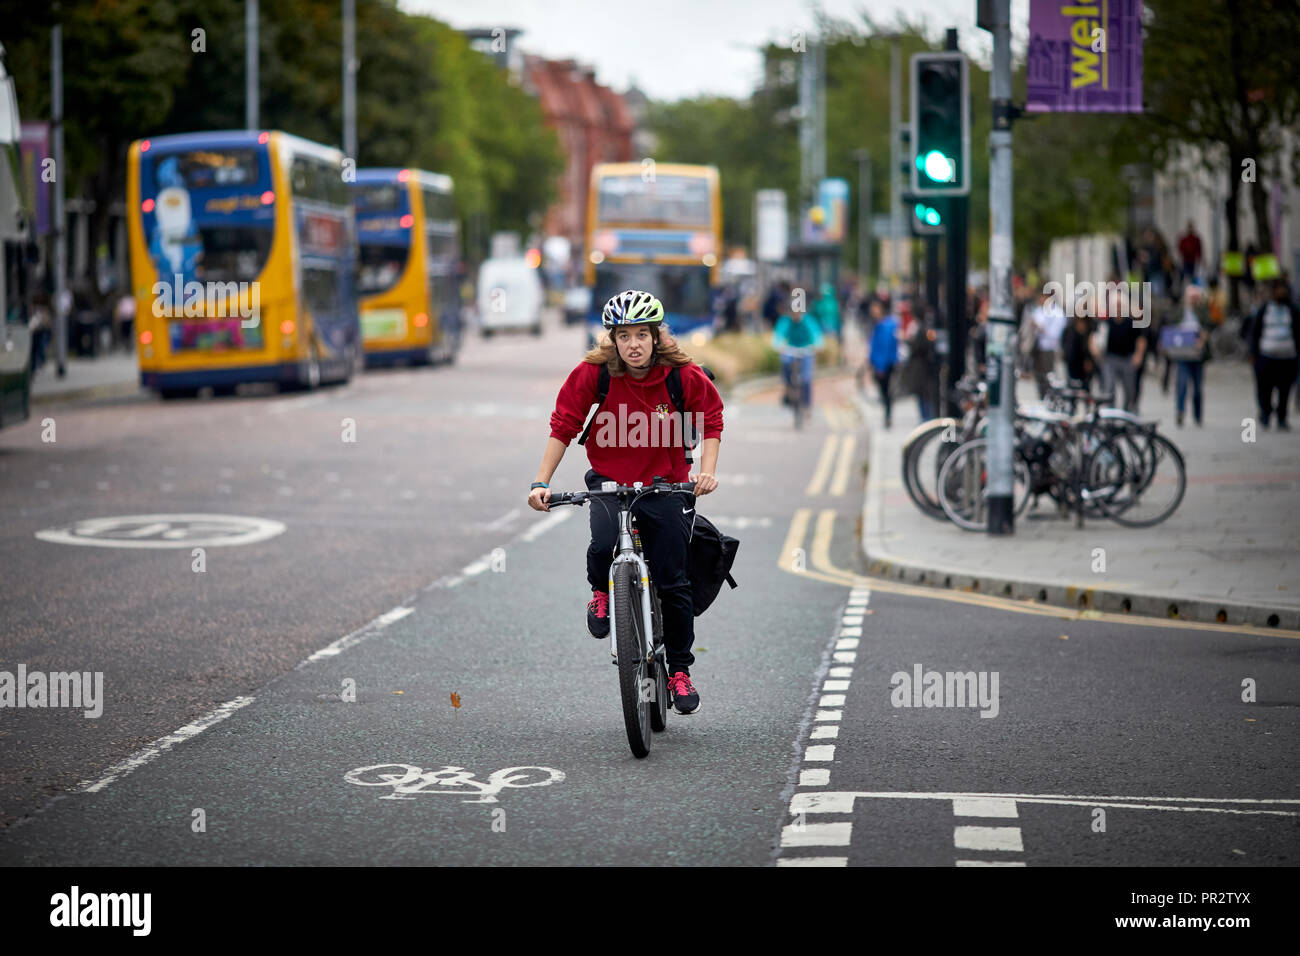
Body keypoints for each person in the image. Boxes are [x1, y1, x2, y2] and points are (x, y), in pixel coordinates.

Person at [528, 290, 724, 714]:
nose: (633, 344)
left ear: (656, 336)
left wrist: (706, 471)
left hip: (667, 484)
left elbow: (710, 419)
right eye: (623, 336)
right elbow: (563, 425)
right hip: (610, 481)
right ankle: (602, 590)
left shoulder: (681, 374)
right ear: (612, 340)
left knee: (674, 581)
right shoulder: (593, 373)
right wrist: (541, 482)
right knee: (602, 546)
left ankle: (679, 671)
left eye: (641, 334)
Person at [1245, 278, 1300, 430]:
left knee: (1285, 390)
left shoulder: (1292, 310)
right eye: (1279, 290)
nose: (1281, 293)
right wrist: (1253, 354)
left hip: (1287, 358)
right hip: (1266, 357)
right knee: (1265, 389)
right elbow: (1255, 333)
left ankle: (1282, 418)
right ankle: (1266, 413)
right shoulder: (1265, 310)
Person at [772, 296, 825, 411]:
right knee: (785, 363)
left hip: (806, 350)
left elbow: (816, 334)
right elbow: (779, 335)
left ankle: (807, 405)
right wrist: (778, 345)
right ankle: (788, 388)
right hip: (791, 350)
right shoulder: (785, 321)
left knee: (806, 379)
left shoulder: (808, 321)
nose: (795, 313)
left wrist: (817, 345)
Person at [1170, 284, 1212, 427]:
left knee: (1198, 387)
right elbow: (1171, 326)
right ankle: (1180, 412)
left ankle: (1198, 415)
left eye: (1195, 297)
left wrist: (1202, 340)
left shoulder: (1202, 311)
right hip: (1183, 352)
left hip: (1197, 353)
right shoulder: (1180, 311)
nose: (1193, 300)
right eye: (1191, 297)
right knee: (1181, 385)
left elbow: (1207, 327)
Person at [867, 299, 900, 427]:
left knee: (885, 392)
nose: (872, 311)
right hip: (882, 363)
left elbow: (884, 347)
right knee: (885, 392)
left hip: (884, 365)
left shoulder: (885, 326)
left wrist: (880, 367)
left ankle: (887, 416)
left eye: (875, 308)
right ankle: (887, 416)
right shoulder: (881, 324)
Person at [1028, 289, 1067, 399]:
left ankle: (1048, 396)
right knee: (1038, 374)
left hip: (1049, 348)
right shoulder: (1038, 311)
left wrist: (1041, 328)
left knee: (1048, 375)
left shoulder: (1057, 313)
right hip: (1037, 347)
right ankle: (1041, 395)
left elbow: (1055, 334)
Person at [1060, 312, 1095, 390]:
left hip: (1084, 362)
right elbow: (1065, 341)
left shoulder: (1090, 327)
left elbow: (1090, 347)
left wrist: (1089, 360)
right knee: (1072, 385)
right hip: (1072, 360)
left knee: (1085, 386)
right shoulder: (1071, 326)